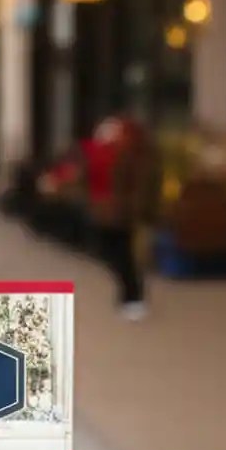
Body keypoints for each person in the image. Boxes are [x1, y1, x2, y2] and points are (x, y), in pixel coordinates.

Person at [86, 115, 151, 320]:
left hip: (122, 212)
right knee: (113, 253)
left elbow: (136, 185)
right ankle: (129, 295)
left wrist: (132, 208)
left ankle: (133, 298)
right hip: (106, 211)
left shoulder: (130, 156)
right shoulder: (104, 154)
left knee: (124, 256)